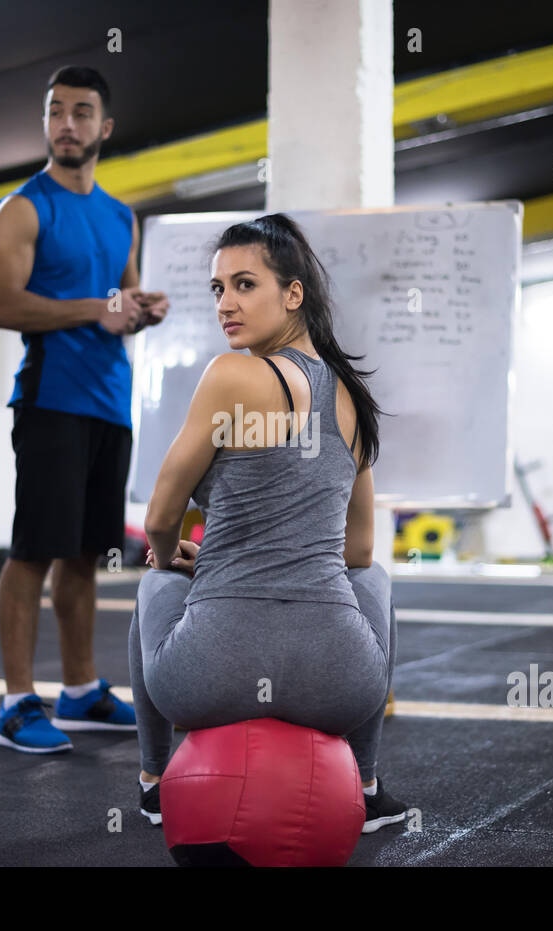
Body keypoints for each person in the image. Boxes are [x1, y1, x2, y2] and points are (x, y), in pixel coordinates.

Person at [129, 213, 407, 833]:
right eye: (218, 288)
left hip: (207, 679)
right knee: (377, 582)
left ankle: (153, 783)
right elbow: (357, 551)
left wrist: (172, 553)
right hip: (337, 682)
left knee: (156, 581)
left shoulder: (230, 375)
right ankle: (365, 785)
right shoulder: (353, 399)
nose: (226, 303)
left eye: (244, 285)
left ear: (293, 293)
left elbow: (158, 517)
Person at [0, 66, 169, 753]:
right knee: (34, 551)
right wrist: (98, 308)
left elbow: (122, 302)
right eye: (56, 111)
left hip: (109, 404)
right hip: (50, 399)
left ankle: (82, 690)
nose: (67, 123)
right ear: (46, 123)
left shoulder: (123, 216)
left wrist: (142, 309)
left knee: (87, 554)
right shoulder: (24, 208)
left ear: (104, 128)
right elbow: (2, 305)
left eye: (82, 112)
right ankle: (13, 703)